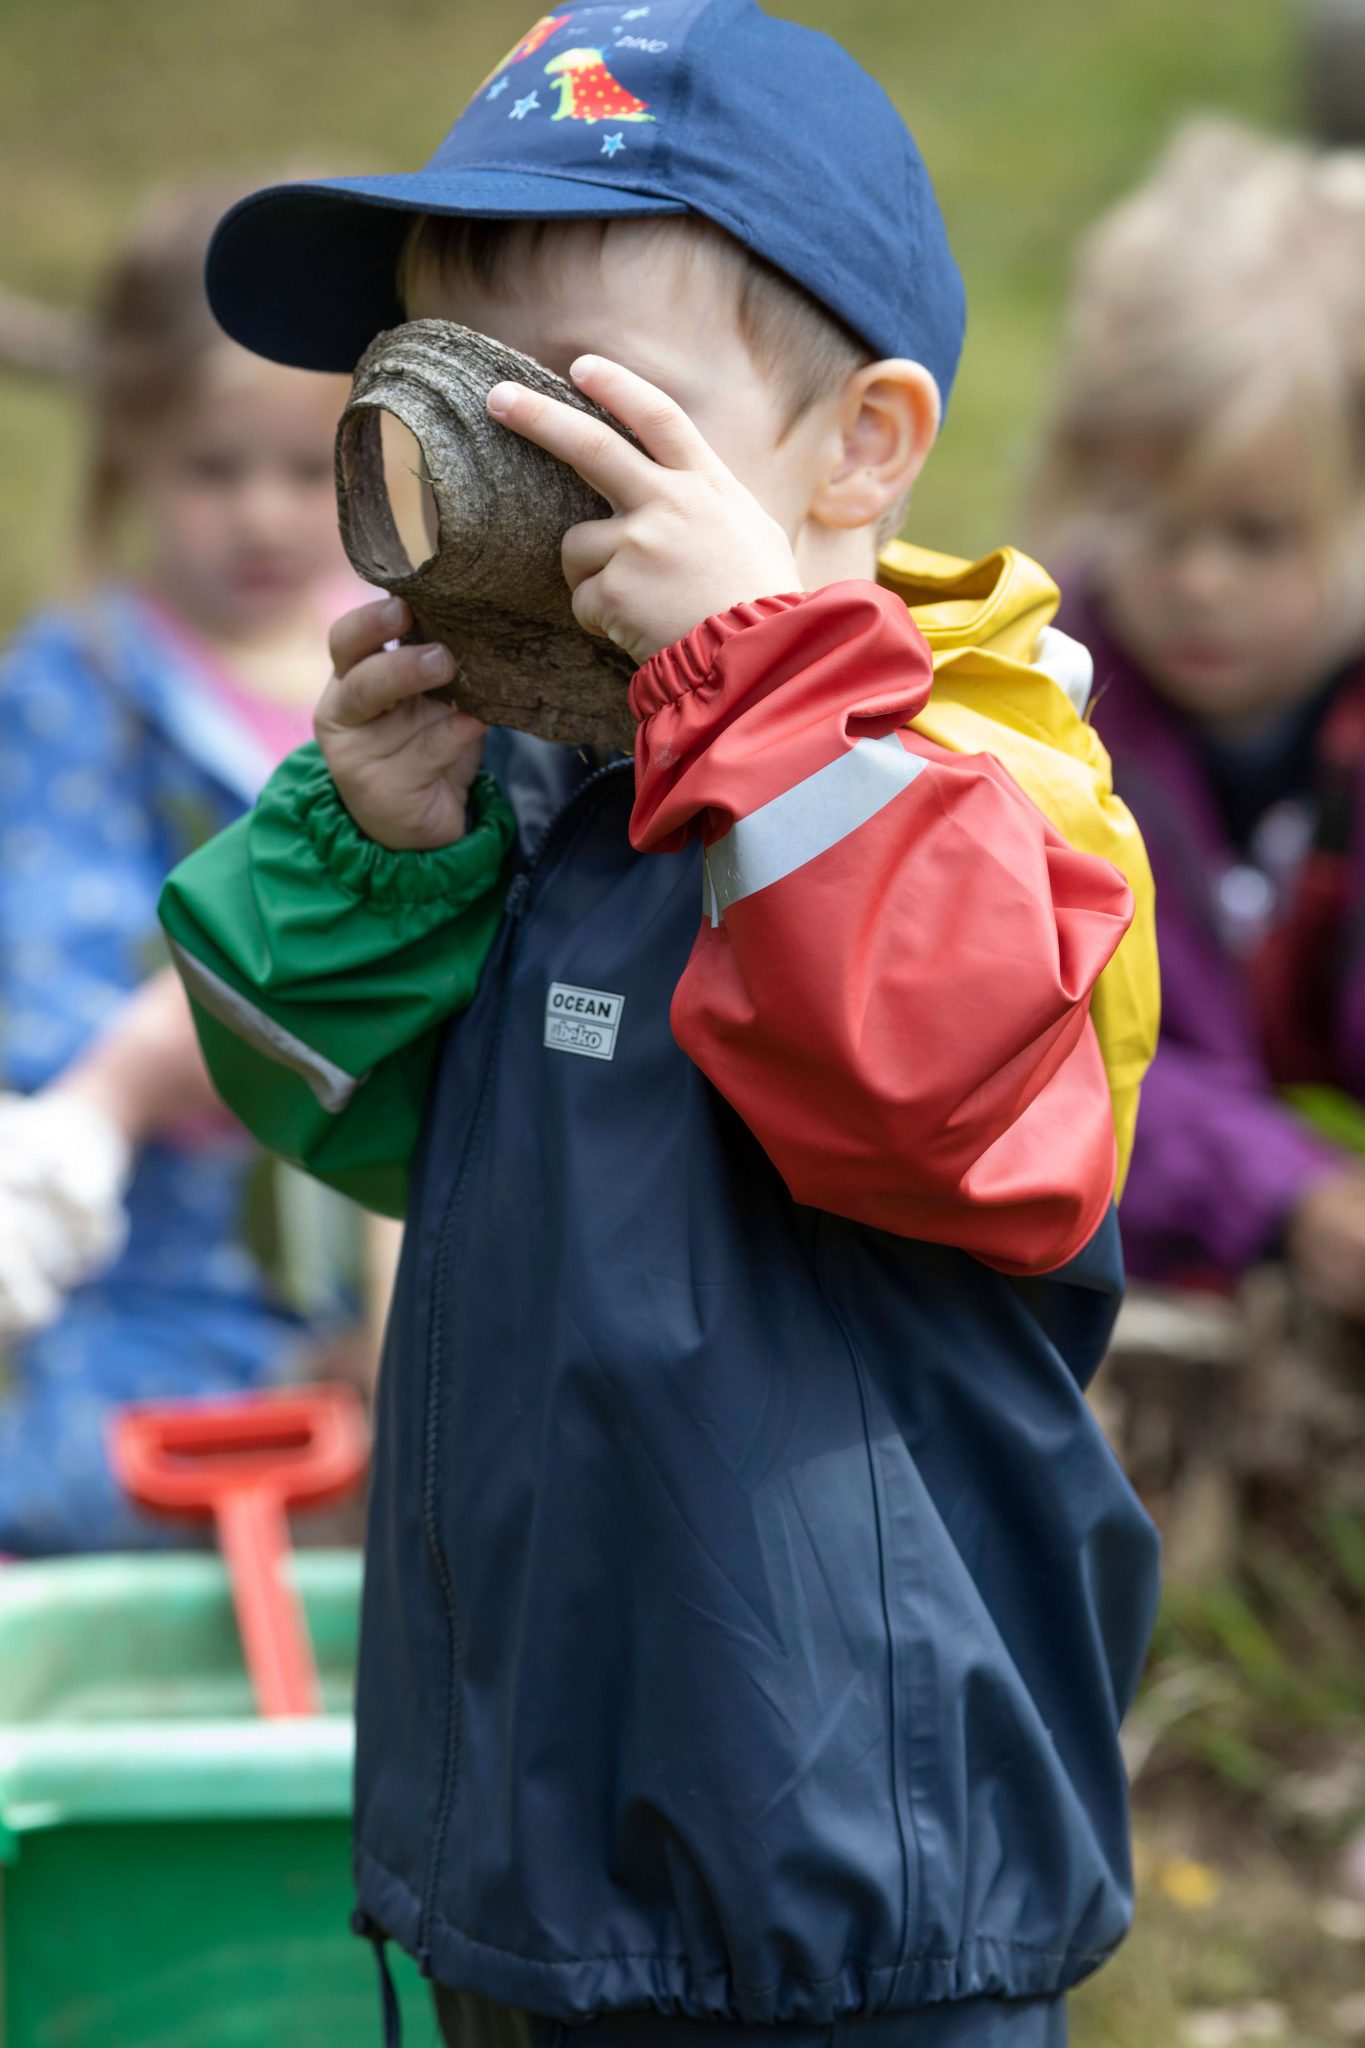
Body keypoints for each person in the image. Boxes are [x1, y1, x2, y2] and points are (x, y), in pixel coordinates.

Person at [160, 5, 1162, 2042]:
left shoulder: (976, 781)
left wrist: (766, 715)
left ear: (858, 448)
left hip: (849, 1905)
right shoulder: (546, 784)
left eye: (584, 423)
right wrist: (366, 855)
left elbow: (941, 1093)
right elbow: (328, 1108)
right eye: (446, 397)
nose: (483, 478)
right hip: (524, 1852)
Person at [0, 179, 363, 1553]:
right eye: (215, 471)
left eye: (305, 468)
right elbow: (67, 1017)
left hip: (401, 1283)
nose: (265, 518)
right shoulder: (82, 692)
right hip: (166, 1305)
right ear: (131, 453)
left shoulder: (404, 658)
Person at [1030, 117, 1365, 1313]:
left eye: (1258, 534)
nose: (1199, 581)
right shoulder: (1047, 709)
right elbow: (1043, 1032)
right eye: (1156, 525)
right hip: (1141, 1267)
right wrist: (1287, 1192)